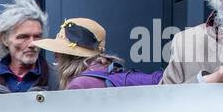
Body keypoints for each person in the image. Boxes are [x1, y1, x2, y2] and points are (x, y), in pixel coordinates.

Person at [31, 17, 162, 89]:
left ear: (71, 56)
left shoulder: (80, 85)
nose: (55, 54)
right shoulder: (106, 70)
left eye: (59, 51)